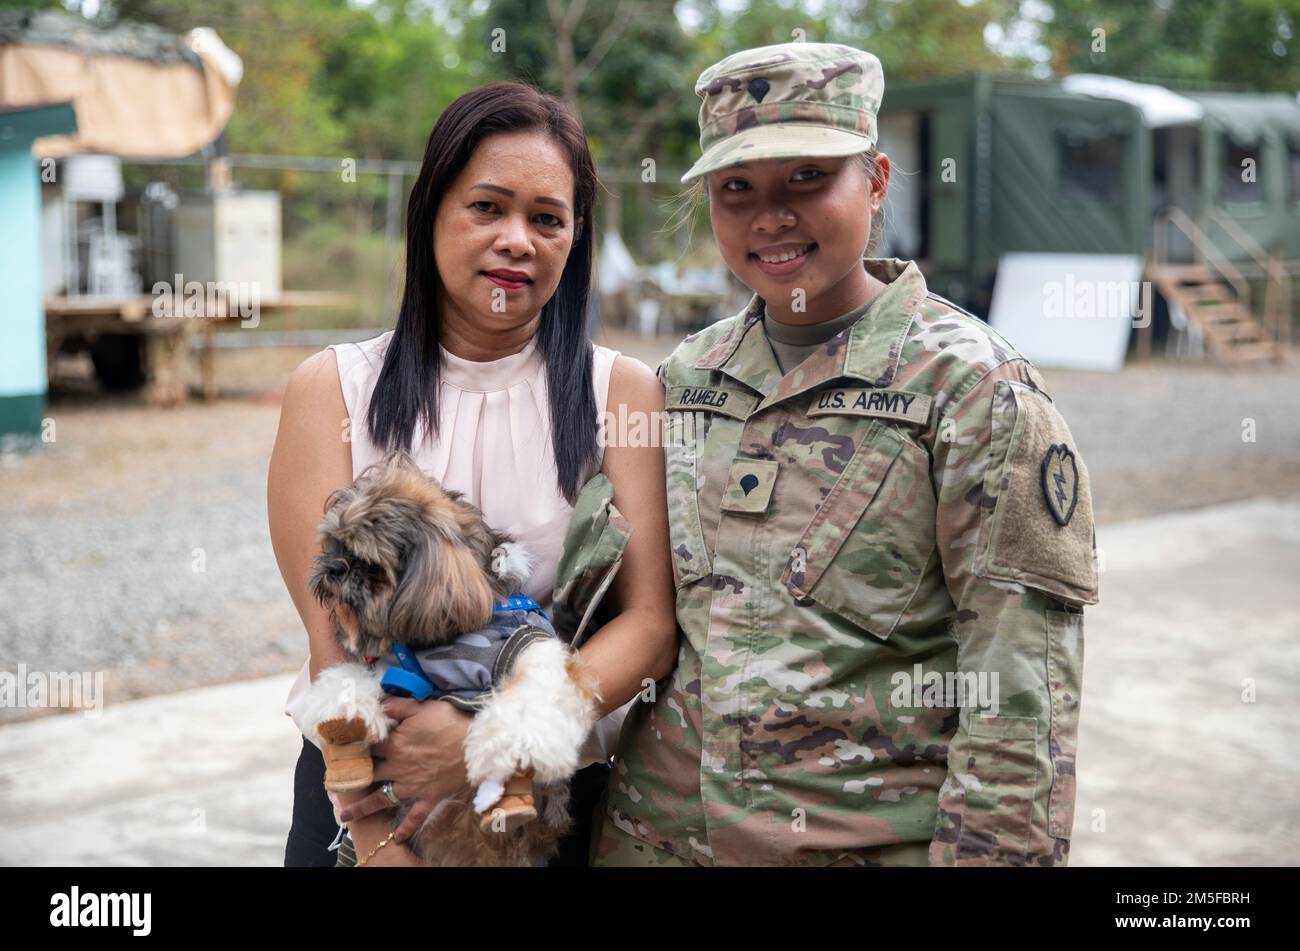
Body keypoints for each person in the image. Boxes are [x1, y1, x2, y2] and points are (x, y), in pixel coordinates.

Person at [592, 42, 1100, 867]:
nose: (771, 216)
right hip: (652, 842)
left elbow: (1019, 705)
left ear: (876, 180)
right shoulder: (683, 380)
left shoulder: (976, 393)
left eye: (807, 179)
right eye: (738, 189)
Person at [268, 81, 678, 867]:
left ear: (575, 239)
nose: (517, 239)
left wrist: (496, 739)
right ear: (430, 215)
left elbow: (651, 625)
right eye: (487, 207)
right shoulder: (332, 391)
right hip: (367, 791)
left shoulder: (622, 393)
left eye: (547, 219)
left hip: (553, 809)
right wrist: (371, 837)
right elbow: (334, 644)